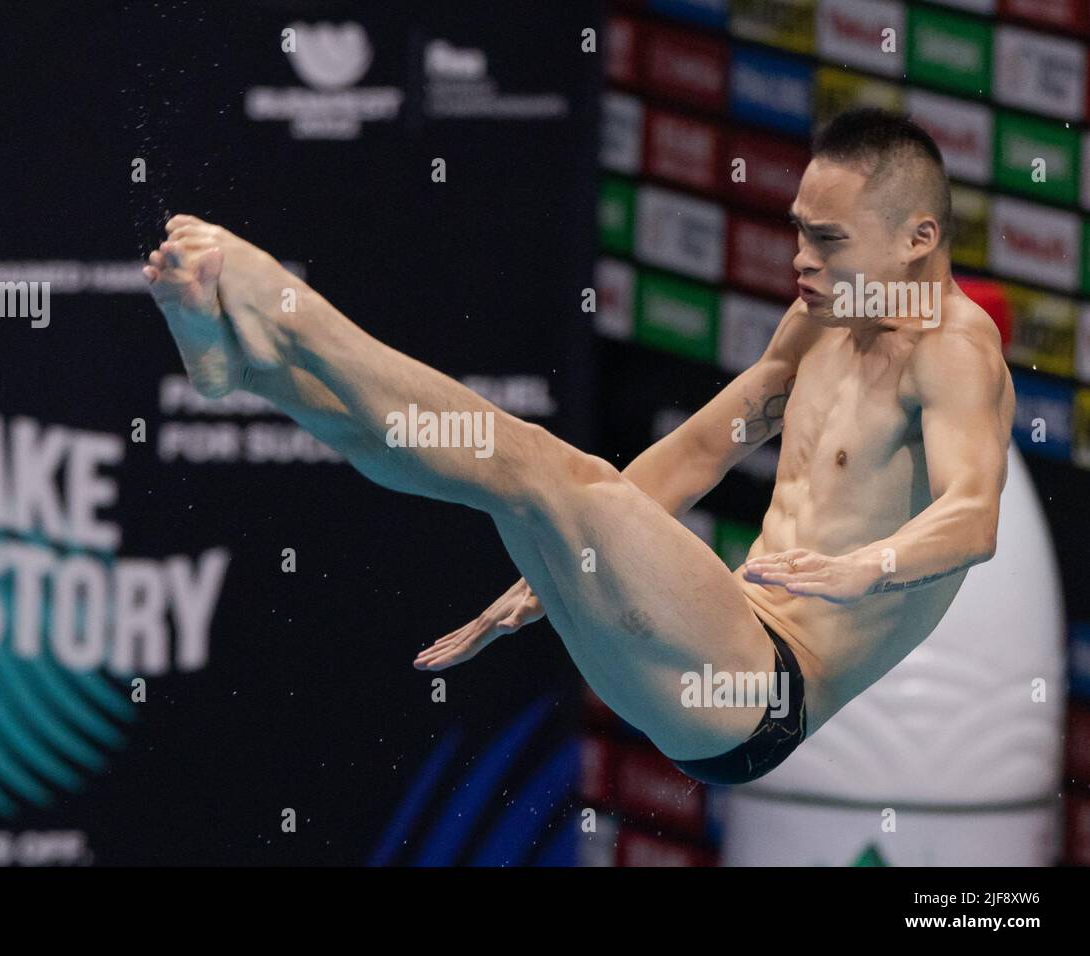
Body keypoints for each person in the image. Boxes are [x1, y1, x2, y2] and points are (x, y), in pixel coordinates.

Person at [142, 108, 1014, 784]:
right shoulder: (819, 321)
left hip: (762, 690)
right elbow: (705, 447)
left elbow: (974, 519)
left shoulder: (954, 354)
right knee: (511, 484)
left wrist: (873, 565)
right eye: (797, 230)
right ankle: (250, 375)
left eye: (829, 241)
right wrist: (557, 576)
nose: (800, 260)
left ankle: (282, 306)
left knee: (537, 465)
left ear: (918, 240)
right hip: (699, 636)